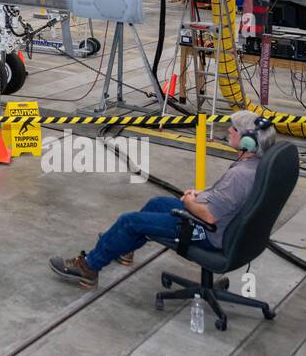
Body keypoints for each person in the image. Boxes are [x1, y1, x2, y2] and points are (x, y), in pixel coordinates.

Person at [48, 111, 275, 289]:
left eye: (234, 129)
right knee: (156, 203)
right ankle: (121, 247)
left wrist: (189, 202)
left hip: (206, 230)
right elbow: (227, 199)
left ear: (248, 143)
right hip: (226, 225)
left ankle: (89, 267)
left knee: (129, 221)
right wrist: (201, 194)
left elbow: (210, 216)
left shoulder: (239, 176)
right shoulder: (254, 166)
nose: (229, 131)